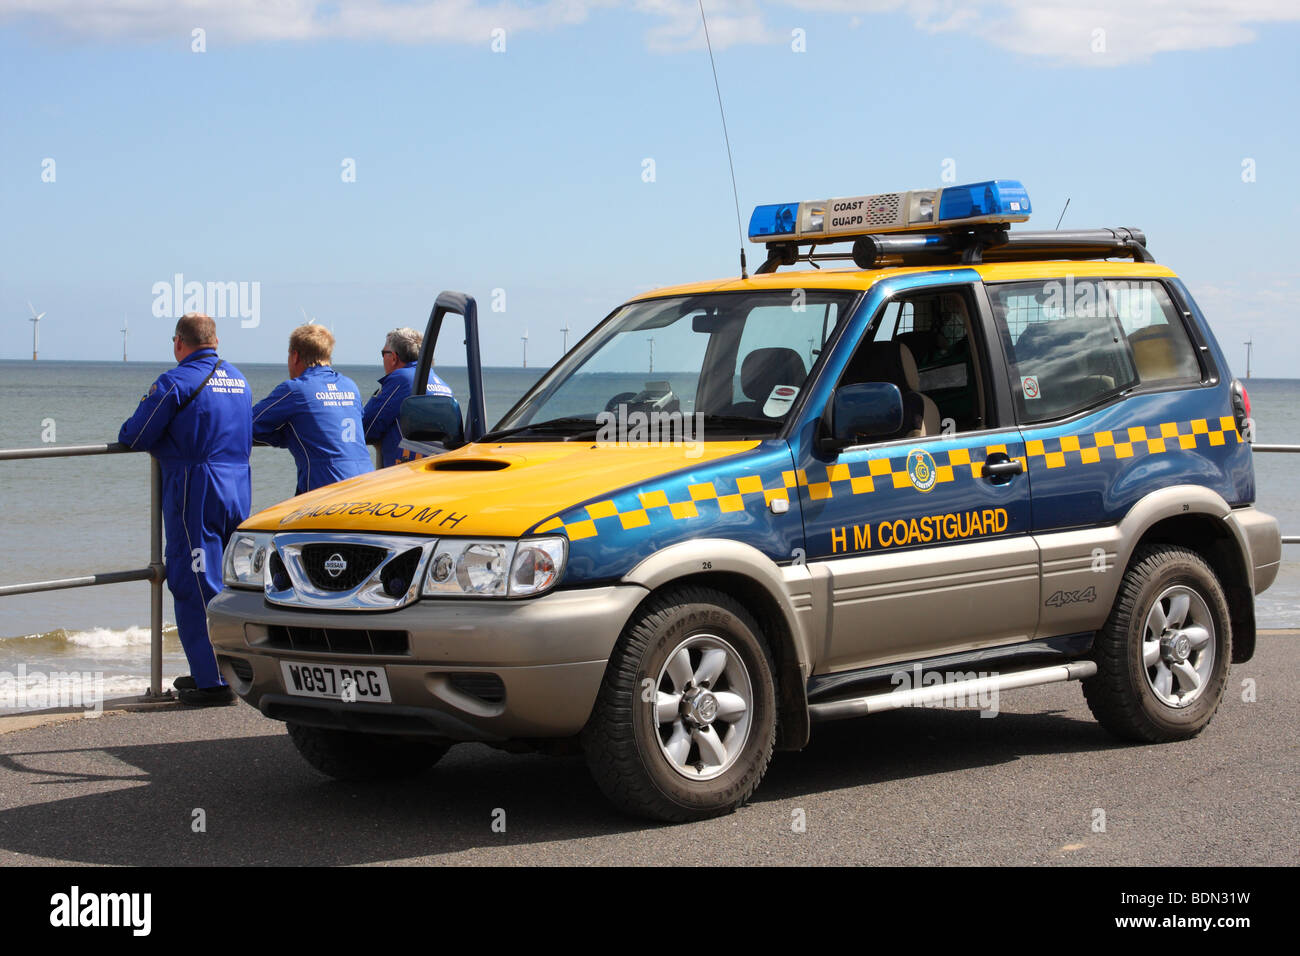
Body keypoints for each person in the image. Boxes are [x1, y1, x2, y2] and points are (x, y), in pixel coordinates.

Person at [118, 313, 251, 707]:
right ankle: (238, 667)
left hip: (196, 486)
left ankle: (211, 680)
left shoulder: (176, 381)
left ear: (179, 343)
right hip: (237, 485)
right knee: (232, 579)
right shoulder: (239, 379)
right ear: (215, 340)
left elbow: (135, 434)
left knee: (192, 579)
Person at [252, 324, 373, 494]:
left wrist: (287, 436)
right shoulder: (350, 386)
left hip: (327, 488)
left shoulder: (296, 389)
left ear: (295, 356)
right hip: (367, 483)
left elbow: (250, 424)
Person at [362, 327, 455, 467]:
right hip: (436, 471)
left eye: (383, 353)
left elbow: (365, 429)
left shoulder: (401, 379)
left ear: (394, 357)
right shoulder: (444, 386)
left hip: (405, 474)